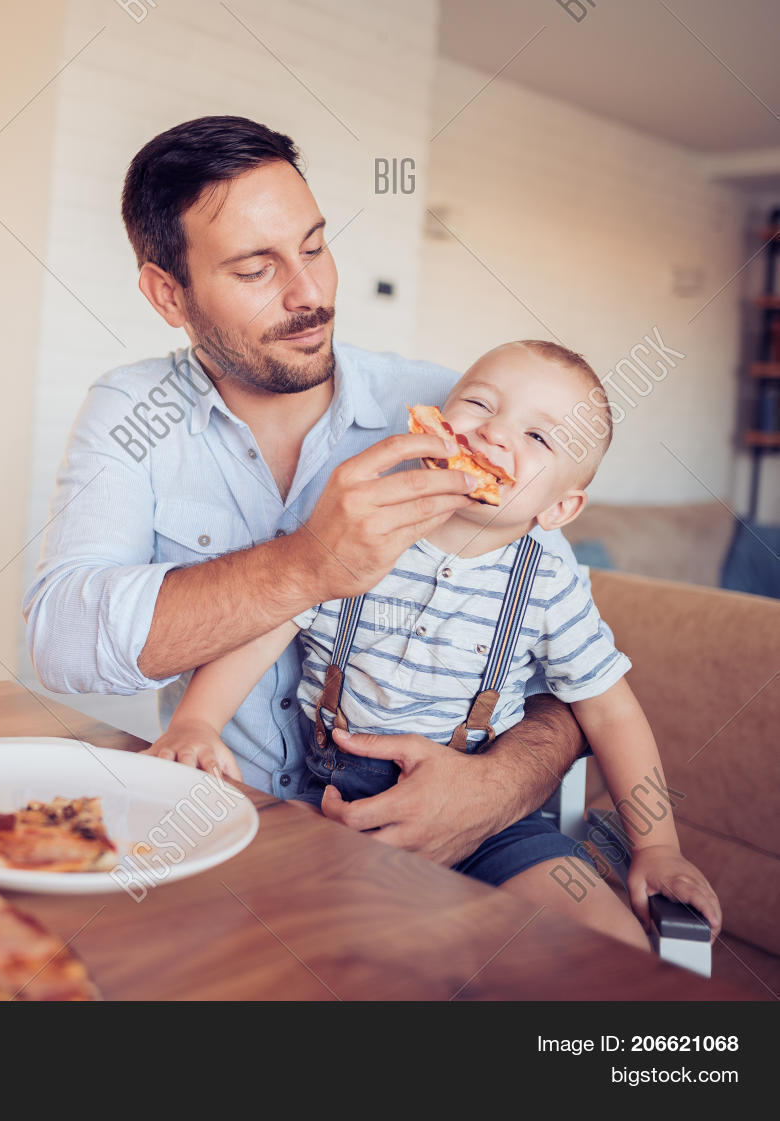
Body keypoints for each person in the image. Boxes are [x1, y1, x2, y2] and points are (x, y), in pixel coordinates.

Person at [23, 115, 588, 866]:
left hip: (451, 846)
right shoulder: (133, 412)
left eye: (316, 247)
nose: (310, 293)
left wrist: (495, 789)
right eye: (256, 270)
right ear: (168, 294)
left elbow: (568, 680)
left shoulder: (458, 414)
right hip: (224, 830)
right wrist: (309, 563)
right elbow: (59, 640)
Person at [149, 341, 722, 945]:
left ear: (561, 507)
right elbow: (271, 622)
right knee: (300, 944)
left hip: (493, 831)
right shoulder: (361, 534)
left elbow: (610, 711)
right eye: (479, 404)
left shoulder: (551, 586)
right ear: (434, 422)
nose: (496, 434)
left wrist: (657, 847)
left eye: (539, 437)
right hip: (338, 807)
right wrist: (197, 722)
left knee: (611, 947)